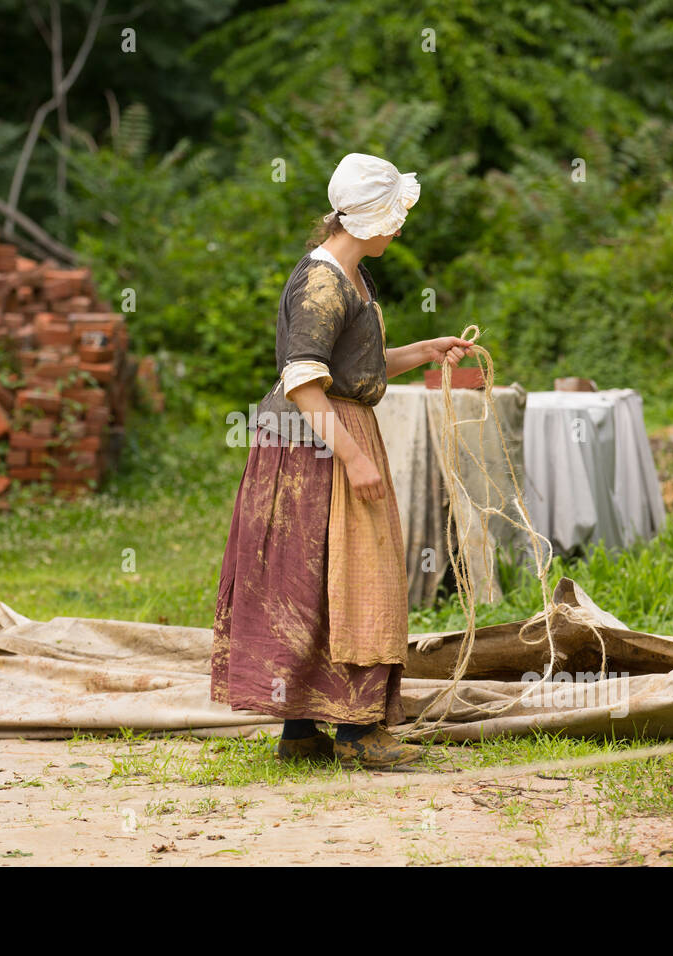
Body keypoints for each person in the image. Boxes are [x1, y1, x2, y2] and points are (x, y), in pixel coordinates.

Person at [211, 153, 472, 768]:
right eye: (394, 216)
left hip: (329, 431)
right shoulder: (323, 280)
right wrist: (353, 458)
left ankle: (306, 730)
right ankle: (351, 731)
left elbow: (356, 366)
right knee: (329, 578)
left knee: (326, 578)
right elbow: (304, 381)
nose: (399, 228)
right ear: (363, 219)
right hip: (311, 444)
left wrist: (427, 351)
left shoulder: (351, 276)